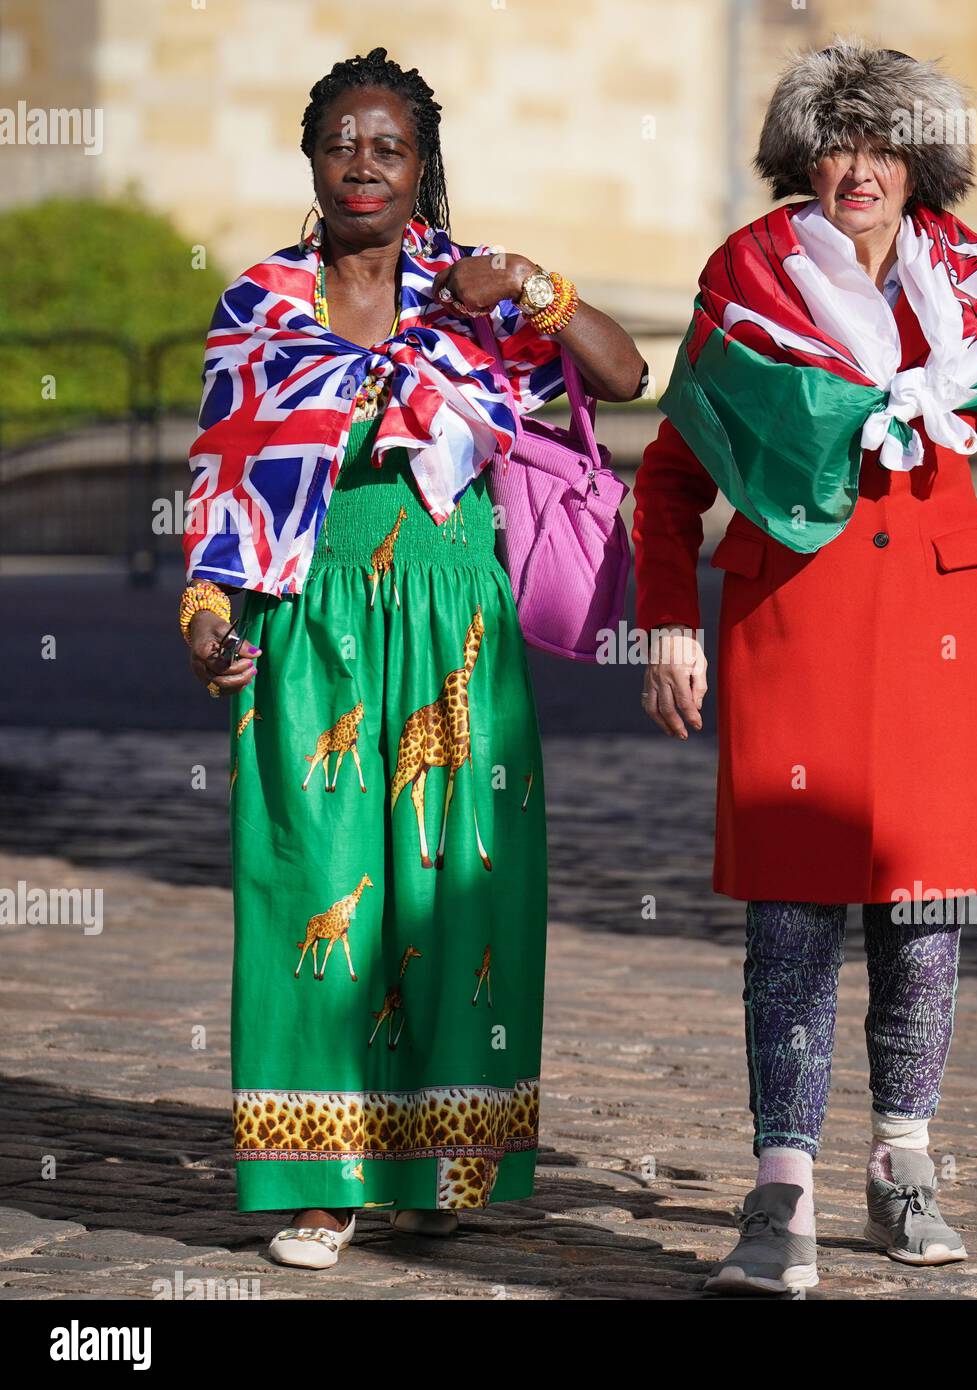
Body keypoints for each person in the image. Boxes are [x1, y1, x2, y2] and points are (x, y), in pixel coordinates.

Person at [633, 40, 977, 1295]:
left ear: (921, 164)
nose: (855, 170)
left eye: (881, 146)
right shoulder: (746, 286)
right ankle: (780, 1191)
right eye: (833, 147)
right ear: (806, 160)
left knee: (926, 922)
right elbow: (669, 483)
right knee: (791, 926)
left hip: (940, 640)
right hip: (787, 630)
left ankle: (903, 1162)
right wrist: (668, 624)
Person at [180, 47, 646, 1270]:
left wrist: (535, 286)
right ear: (312, 159)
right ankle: (321, 1181)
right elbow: (225, 490)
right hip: (310, 613)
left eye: (388, 146)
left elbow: (624, 374)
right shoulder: (262, 303)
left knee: (454, 888)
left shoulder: (475, 288)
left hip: (455, 612)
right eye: (343, 142)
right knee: (309, 885)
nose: (364, 165)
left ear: (422, 163)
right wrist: (204, 621)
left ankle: (438, 1161)